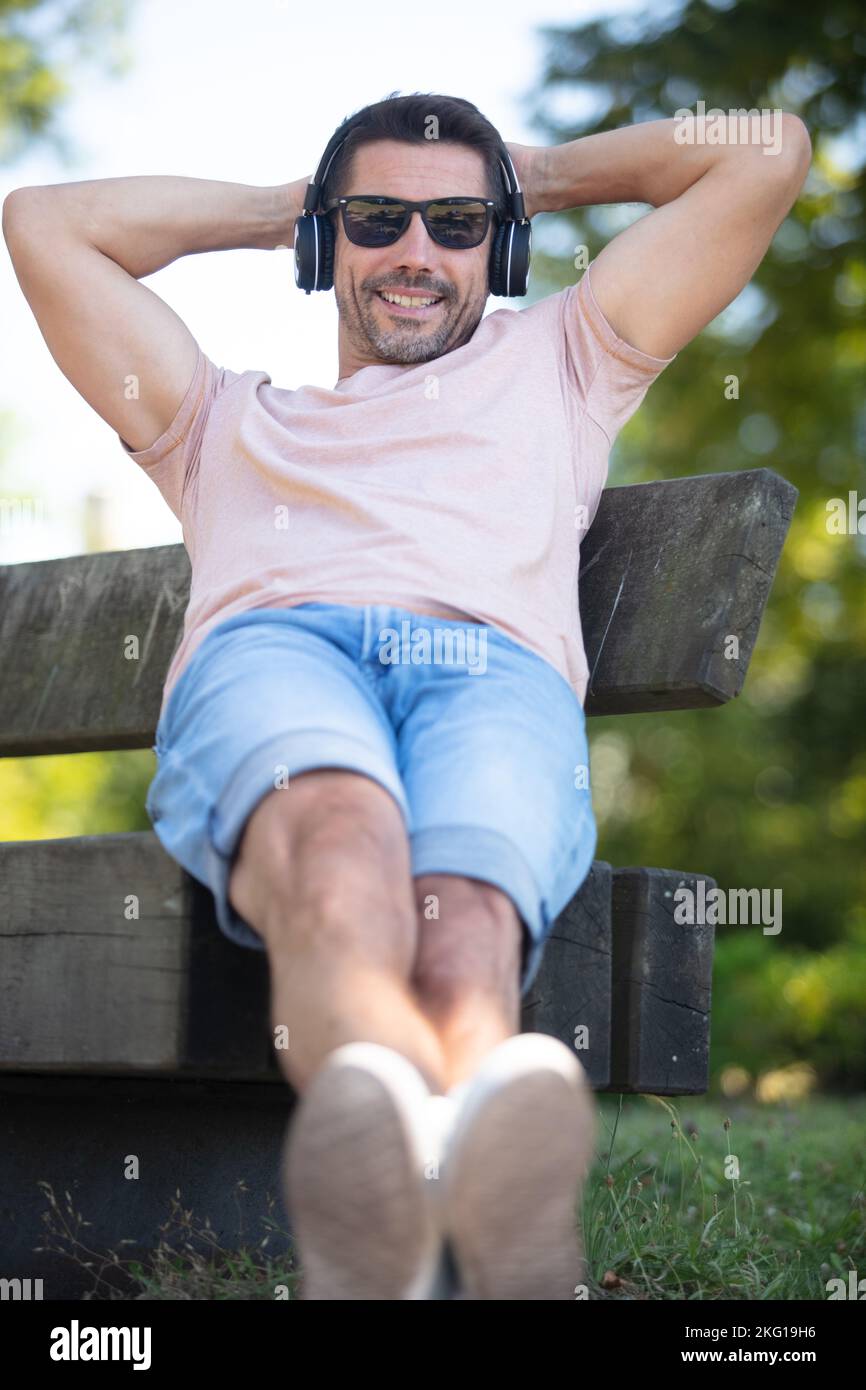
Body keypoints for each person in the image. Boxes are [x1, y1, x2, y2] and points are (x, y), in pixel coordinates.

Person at [2, 90, 810, 1300]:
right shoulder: (215, 419)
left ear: (504, 240)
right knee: (338, 847)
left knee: (464, 916)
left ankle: (438, 1198)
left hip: (494, 670)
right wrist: (294, 209)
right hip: (280, 656)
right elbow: (43, 221)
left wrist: (526, 173)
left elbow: (769, 151)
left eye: (456, 225)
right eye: (378, 221)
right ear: (332, 243)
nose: (417, 253)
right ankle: (431, 1177)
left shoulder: (569, 357)